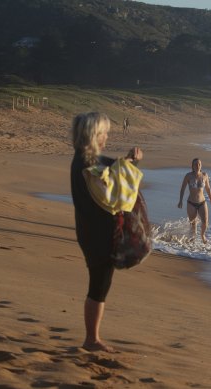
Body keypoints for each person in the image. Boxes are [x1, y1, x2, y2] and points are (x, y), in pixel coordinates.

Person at [70, 112, 143, 352]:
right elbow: (109, 182)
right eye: (103, 133)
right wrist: (127, 165)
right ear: (93, 135)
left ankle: (92, 337)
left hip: (94, 231)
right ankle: (91, 339)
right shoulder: (84, 163)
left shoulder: (86, 159)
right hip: (96, 235)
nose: (106, 137)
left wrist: (129, 161)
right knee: (99, 285)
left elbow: (110, 165)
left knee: (102, 282)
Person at [177, 158, 211, 244]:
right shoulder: (188, 176)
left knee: (205, 222)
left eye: (199, 164)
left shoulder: (205, 175)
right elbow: (182, 188)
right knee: (193, 224)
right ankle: (193, 238)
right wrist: (180, 200)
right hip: (191, 203)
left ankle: (202, 235)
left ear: (201, 166)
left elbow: (208, 189)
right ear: (192, 166)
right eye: (195, 164)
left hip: (202, 202)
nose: (197, 166)